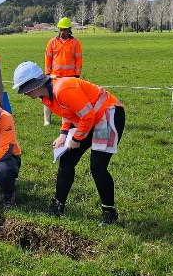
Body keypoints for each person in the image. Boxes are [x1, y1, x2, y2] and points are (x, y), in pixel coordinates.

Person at [13, 61, 125, 226]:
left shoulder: (62, 89)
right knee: (66, 161)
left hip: (108, 114)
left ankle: (109, 213)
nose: (24, 93)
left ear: (35, 83)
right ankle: (58, 206)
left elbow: (87, 116)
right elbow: (68, 112)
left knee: (97, 167)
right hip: (89, 119)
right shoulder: (47, 97)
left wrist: (76, 139)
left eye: (24, 89)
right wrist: (63, 134)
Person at [43, 17, 83, 126]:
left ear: (69, 29)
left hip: (69, 77)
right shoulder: (52, 42)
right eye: (60, 29)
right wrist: (47, 74)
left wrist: (76, 75)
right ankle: (47, 120)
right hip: (54, 76)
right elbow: (48, 58)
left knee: (68, 101)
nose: (62, 32)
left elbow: (78, 59)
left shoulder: (75, 42)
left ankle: (67, 121)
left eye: (64, 29)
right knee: (48, 98)